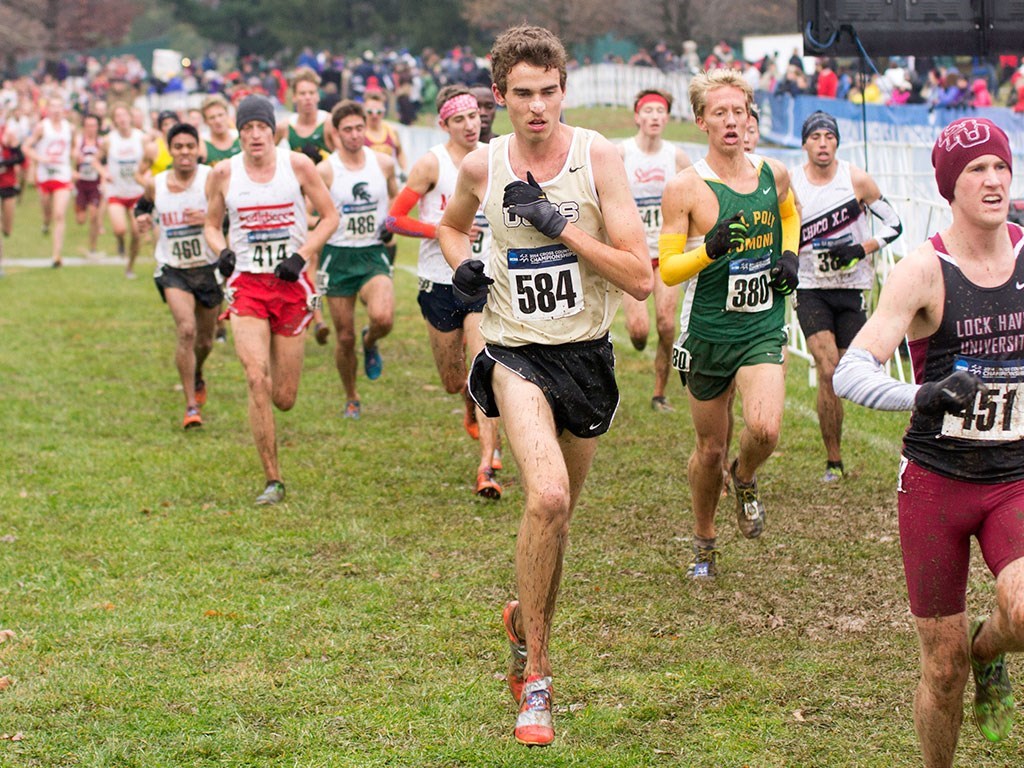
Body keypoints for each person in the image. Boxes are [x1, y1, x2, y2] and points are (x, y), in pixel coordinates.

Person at [437, 25, 651, 747]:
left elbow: (640, 277)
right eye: (522, 94)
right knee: (549, 496)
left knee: (555, 531)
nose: (537, 107)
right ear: (499, 97)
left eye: (549, 92)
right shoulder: (481, 164)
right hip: (513, 353)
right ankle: (537, 677)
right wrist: (464, 268)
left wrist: (562, 230)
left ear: (565, 91)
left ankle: (520, 619)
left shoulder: (599, 158)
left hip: (586, 358)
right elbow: (449, 229)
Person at [833, 116, 1024, 768]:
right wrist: (921, 394)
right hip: (937, 484)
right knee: (942, 670)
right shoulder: (924, 270)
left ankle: (989, 647)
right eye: (977, 170)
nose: (994, 179)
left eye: (1000, 165)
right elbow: (850, 369)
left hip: (1014, 479)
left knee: (1021, 613)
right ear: (949, 186)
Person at [659, 68, 800, 579]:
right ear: (702, 121)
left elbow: (790, 214)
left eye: (739, 111)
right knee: (709, 447)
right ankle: (704, 542)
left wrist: (788, 257)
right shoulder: (685, 188)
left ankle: (744, 476)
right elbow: (669, 267)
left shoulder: (773, 173)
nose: (732, 121)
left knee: (764, 427)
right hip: (709, 332)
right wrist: (709, 250)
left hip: (761, 324)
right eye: (720, 113)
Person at [203, 94, 338, 505]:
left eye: (261, 127)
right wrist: (220, 250)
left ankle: (274, 443)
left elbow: (330, 216)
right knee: (255, 378)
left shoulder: (297, 165)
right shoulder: (223, 173)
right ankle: (273, 479)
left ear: (272, 129)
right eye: (247, 129)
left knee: (284, 396)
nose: (255, 135)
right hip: (246, 286)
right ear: (238, 133)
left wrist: (301, 255)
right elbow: (211, 225)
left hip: (294, 289)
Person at [386, 85, 503, 497]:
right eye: (460, 119)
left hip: (482, 280)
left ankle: (487, 466)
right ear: (444, 124)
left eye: (474, 116)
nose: (471, 125)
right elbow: (394, 220)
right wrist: (439, 230)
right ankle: (468, 402)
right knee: (455, 381)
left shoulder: (497, 158)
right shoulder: (430, 165)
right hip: (437, 281)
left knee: (484, 367)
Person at [791, 111, 903, 481]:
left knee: (850, 372)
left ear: (837, 142)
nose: (823, 144)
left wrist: (861, 248)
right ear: (805, 143)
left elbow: (894, 224)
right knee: (828, 369)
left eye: (829, 137)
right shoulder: (792, 183)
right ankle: (834, 461)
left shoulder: (856, 179)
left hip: (853, 287)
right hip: (811, 288)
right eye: (815, 137)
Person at [134, 123, 221, 429]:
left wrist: (210, 219)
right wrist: (142, 219)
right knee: (186, 330)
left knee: (206, 341)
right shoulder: (156, 183)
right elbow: (141, 207)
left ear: (199, 149)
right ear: (169, 151)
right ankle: (190, 405)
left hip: (208, 269)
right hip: (173, 269)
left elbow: (234, 215)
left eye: (190, 146)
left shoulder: (212, 179)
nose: (185, 152)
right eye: (178, 147)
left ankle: (198, 374)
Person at [315, 100, 398, 419]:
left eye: (359, 128)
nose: (354, 135)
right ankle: (351, 395)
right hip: (337, 256)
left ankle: (372, 339)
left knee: (383, 318)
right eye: (347, 129)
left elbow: (394, 195)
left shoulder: (383, 163)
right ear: (335, 134)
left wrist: (390, 220)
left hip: (372, 252)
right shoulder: (325, 171)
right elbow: (312, 214)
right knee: (344, 336)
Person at [618, 88, 692, 411]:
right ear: (637, 116)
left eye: (659, 112)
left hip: (665, 253)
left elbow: (693, 198)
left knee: (665, 323)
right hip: (632, 254)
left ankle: (659, 391)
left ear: (667, 118)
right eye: (647, 111)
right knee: (638, 332)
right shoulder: (621, 154)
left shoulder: (676, 157)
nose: (653, 117)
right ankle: (636, 339)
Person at [275, 69, 334, 346]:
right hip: (301, 204)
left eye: (312, 93)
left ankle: (319, 312)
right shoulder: (285, 127)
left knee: (324, 267)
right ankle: (318, 317)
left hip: (330, 201)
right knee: (310, 261)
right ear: (294, 97)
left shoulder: (329, 123)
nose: (308, 98)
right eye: (302, 93)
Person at [23, 96, 74, 268]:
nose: (57, 110)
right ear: (48, 109)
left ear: (63, 109)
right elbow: (26, 147)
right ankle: (45, 223)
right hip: (44, 175)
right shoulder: (42, 127)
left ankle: (56, 255)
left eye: (60, 106)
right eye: (53, 106)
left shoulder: (69, 127)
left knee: (59, 214)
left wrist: (73, 161)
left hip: (62, 174)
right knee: (47, 213)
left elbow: (73, 148)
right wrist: (40, 158)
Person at [100, 103, 146, 277]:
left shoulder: (140, 137)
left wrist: (145, 171)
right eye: (117, 116)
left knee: (136, 233)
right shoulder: (109, 140)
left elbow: (150, 158)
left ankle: (130, 266)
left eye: (124, 115)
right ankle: (120, 242)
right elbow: (96, 160)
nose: (122, 119)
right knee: (120, 229)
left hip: (136, 192)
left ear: (130, 117)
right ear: (114, 121)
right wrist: (104, 172)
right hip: (116, 192)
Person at [71, 112, 103, 259]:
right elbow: (71, 158)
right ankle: (77, 206)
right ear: (84, 127)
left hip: (95, 184)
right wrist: (74, 169)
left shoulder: (101, 143)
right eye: (88, 125)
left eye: (94, 125)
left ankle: (93, 247)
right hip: (81, 184)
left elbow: (105, 163)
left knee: (93, 216)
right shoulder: (79, 142)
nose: (91, 128)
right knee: (81, 220)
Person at [0, 115, 25, 276]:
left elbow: (21, 158)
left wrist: (5, 163)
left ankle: (6, 230)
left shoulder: (7, 134)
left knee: (7, 229)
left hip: (7, 184)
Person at [200, 94, 240, 165]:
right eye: (212, 118)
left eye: (220, 115)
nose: (217, 121)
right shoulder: (202, 143)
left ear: (227, 115)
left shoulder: (239, 138)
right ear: (205, 121)